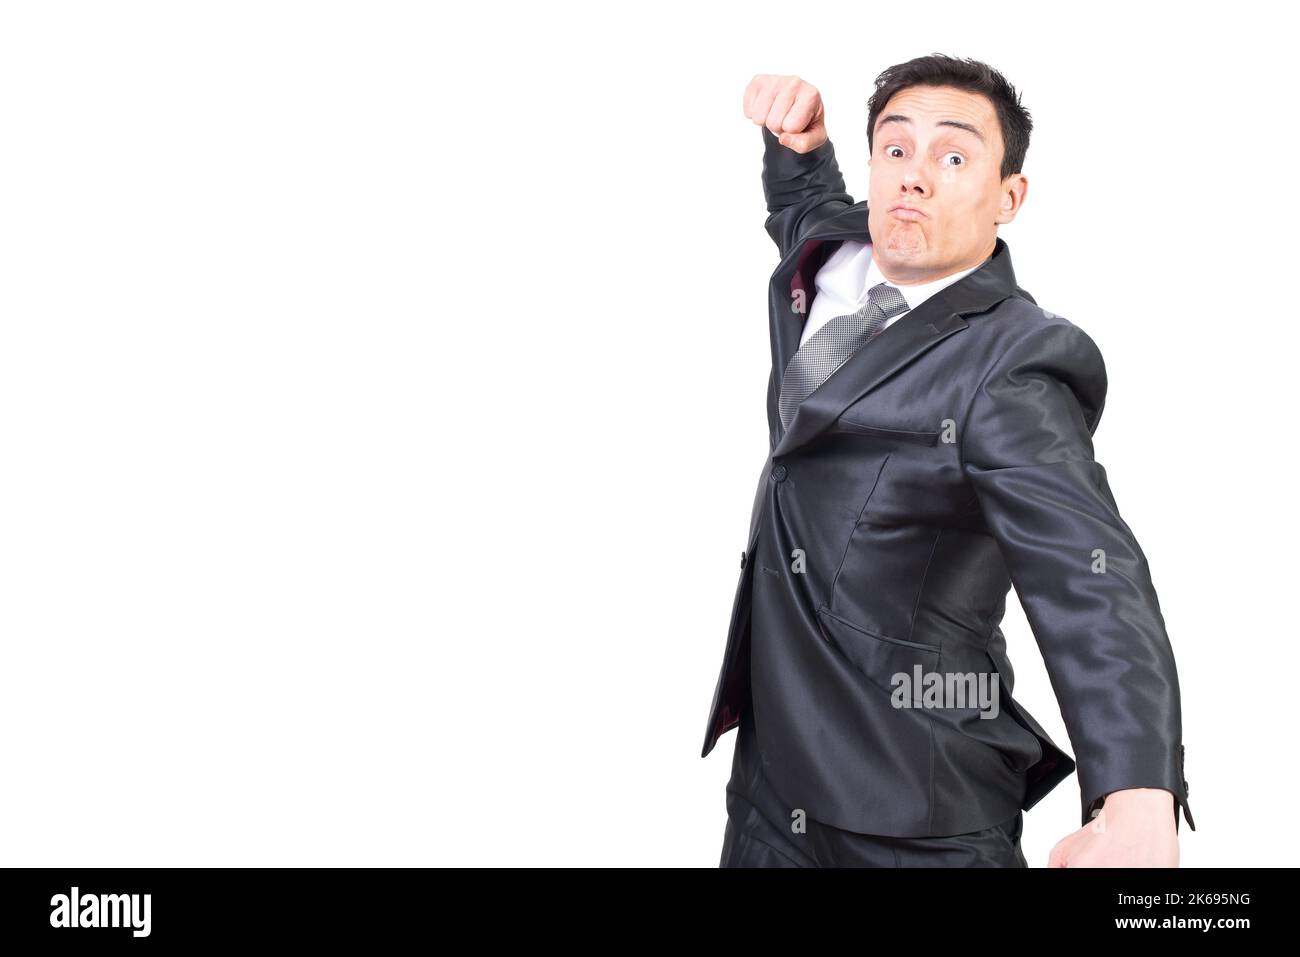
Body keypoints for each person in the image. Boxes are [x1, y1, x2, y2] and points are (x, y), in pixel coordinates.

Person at [701, 56, 1194, 867]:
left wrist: (1138, 794)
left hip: (913, 810)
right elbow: (807, 210)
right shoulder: (839, 253)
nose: (915, 178)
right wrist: (798, 146)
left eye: (954, 157)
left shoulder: (1015, 364)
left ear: (1009, 197)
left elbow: (1088, 575)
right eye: (896, 150)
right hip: (767, 787)